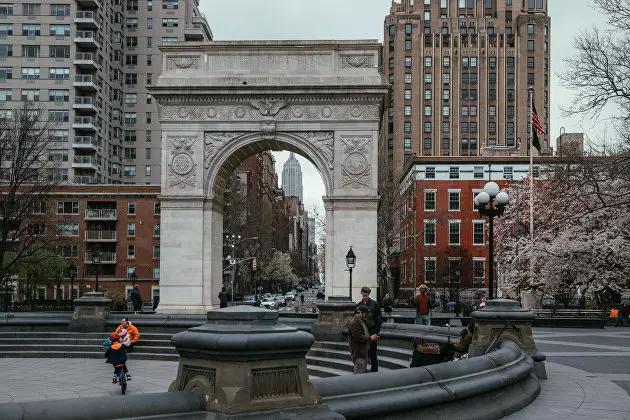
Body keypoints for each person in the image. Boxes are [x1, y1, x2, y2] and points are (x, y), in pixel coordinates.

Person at [356, 286, 383, 372]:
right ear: (361, 293)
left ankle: (374, 371)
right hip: (362, 333)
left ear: (369, 294)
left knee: (373, 354)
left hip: (372, 332)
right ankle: (363, 371)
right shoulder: (358, 305)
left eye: (367, 292)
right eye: (364, 292)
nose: (365, 294)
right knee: (362, 354)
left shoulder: (375, 304)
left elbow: (379, 319)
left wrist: (376, 332)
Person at [347, 305, 378, 374]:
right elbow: (358, 338)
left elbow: (363, 335)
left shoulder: (359, 321)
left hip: (362, 352)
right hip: (358, 353)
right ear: (360, 313)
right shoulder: (355, 322)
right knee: (359, 375)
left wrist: (371, 338)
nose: (366, 316)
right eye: (366, 314)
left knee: (361, 373)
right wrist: (370, 338)